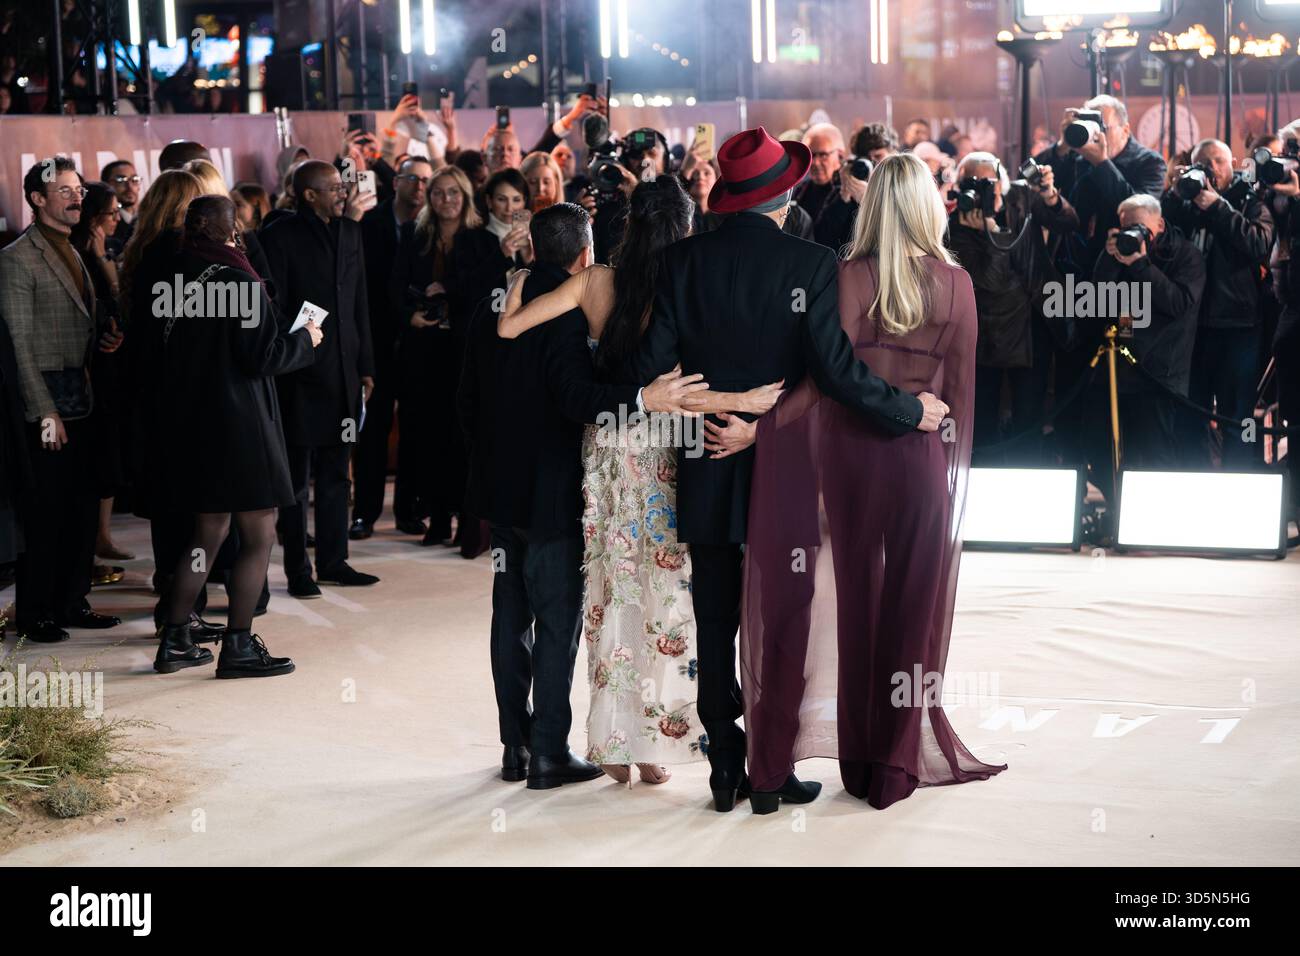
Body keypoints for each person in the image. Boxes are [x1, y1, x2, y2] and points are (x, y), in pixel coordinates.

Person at [628, 128, 950, 812]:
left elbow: (652, 374)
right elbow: (835, 374)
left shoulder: (679, 262)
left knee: (714, 620)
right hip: (785, 465)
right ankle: (769, 771)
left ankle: (723, 771)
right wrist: (908, 410)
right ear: (784, 193)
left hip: (705, 455)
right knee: (784, 616)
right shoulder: (810, 263)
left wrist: (720, 406)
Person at [742, 152, 1008, 813]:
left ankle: (859, 761)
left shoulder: (847, 277)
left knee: (859, 605)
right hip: (919, 461)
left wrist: (761, 425)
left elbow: (822, 380)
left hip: (852, 459)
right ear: (927, 205)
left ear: (871, 207)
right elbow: (961, 394)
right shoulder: (956, 284)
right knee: (913, 608)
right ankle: (894, 761)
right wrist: (940, 453)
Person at [497, 176, 783, 786]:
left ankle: (615, 747)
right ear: (683, 227)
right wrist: (747, 400)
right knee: (666, 596)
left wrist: (519, 280)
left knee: (608, 594)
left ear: (628, 226)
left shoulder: (594, 280)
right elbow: (683, 395)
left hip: (605, 450)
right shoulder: (685, 280)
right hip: (659, 449)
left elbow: (508, 329)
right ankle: (655, 743)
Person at [458, 201, 715, 789]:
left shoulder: (494, 303)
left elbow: (466, 400)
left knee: (509, 617)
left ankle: (514, 747)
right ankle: (549, 750)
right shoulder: (581, 308)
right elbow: (578, 399)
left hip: (500, 490)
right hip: (554, 491)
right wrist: (645, 401)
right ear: (583, 253)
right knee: (558, 621)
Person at [153, 195, 322, 676]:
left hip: (194, 423)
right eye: (235, 229)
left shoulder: (173, 277)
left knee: (208, 532)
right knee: (259, 532)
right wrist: (305, 340)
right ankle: (239, 646)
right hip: (242, 425)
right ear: (219, 230)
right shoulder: (238, 280)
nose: (240, 236)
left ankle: (176, 640)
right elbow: (263, 357)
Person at [0, 157, 120, 642]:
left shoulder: (76, 249)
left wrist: (105, 340)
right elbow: (16, 343)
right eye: (65, 191)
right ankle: (35, 612)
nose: (77, 197)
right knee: (45, 512)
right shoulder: (16, 257)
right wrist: (44, 409)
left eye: (78, 189)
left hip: (85, 396)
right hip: (47, 402)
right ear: (36, 199)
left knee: (82, 507)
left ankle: (73, 600)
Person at [260, 160, 379, 596]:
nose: (342, 192)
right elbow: (275, 307)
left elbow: (358, 304)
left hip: (344, 374)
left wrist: (366, 366)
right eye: (332, 187)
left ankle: (334, 561)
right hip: (299, 375)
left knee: (337, 476)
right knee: (294, 482)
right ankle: (298, 571)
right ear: (308, 194)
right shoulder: (280, 236)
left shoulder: (350, 233)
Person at [945, 151, 1079, 463]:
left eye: (986, 182)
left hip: (1032, 328)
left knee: (1029, 420)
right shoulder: (958, 225)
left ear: (1002, 181)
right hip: (987, 335)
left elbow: (1067, 222)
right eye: (970, 182)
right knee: (985, 422)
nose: (978, 189)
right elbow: (989, 280)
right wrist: (992, 232)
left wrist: (1050, 196)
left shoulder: (1020, 197)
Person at [1162, 138, 1275, 468]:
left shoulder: (1248, 202)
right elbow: (1162, 238)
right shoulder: (1182, 205)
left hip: (1238, 327)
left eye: (1219, 161)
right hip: (1192, 329)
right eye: (1204, 161)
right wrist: (1174, 193)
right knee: (1189, 415)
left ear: (1232, 165)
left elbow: (1259, 243)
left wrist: (1216, 207)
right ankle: (1194, 485)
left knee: (1238, 418)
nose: (1212, 168)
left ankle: (1238, 486)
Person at [1089, 194, 1206, 500]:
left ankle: (1157, 519)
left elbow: (1179, 303)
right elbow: (1098, 297)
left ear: (1160, 224)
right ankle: (1120, 514)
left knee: (1155, 451)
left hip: (1162, 371)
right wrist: (1109, 256)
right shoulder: (1121, 254)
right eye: (1126, 227)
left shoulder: (1186, 255)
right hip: (1123, 368)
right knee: (1111, 451)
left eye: (1139, 227)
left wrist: (1141, 265)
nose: (1133, 234)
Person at [389, 165, 482, 547]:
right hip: (423, 349)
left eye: (454, 193)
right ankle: (438, 516)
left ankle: (465, 521)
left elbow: (486, 286)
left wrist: (449, 286)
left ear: (465, 196)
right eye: (439, 193)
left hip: (463, 350)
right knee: (429, 434)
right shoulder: (415, 233)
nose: (446, 200)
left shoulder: (479, 237)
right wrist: (407, 314)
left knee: (460, 436)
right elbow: (393, 283)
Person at [350, 155, 436, 542]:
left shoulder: (433, 227)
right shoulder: (370, 224)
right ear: (395, 182)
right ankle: (364, 513)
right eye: (412, 179)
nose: (419, 186)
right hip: (378, 340)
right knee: (373, 431)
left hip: (421, 343)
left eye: (425, 180)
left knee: (417, 429)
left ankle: (409, 510)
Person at [68, 182, 132, 563]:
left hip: (109, 370)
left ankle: (101, 537)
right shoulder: (82, 258)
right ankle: (91, 543)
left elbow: (119, 314)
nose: (116, 220)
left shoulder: (102, 253)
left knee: (107, 457)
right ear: (94, 220)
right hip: (87, 375)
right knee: (94, 459)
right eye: (111, 213)